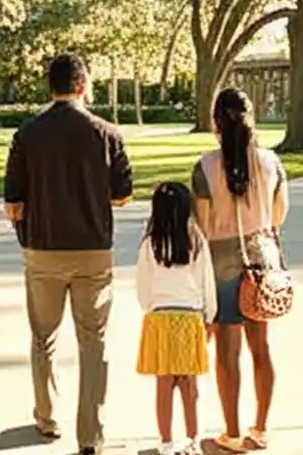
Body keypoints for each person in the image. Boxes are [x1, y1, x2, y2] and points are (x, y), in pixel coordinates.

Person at [4, 53, 133, 455]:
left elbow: (13, 204)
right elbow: (123, 195)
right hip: (93, 250)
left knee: (43, 337)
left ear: (52, 86)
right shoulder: (108, 134)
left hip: (43, 248)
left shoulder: (27, 135)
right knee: (93, 342)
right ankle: (90, 435)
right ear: (81, 85)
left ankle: (47, 417)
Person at [192, 88, 289, 452]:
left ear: (216, 123)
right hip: (263, 262)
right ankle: (260, 429)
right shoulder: (271, 162)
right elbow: (279, 214)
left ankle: (231, 433)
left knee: (227, 352)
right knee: (261, 348)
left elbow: (202, 225)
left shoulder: (205, 167)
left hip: (221, 265)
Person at [135, 182, 217, 455]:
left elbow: (143, 286)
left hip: (160, 317)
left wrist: (150, 308)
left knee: (164, 383)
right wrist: (209, 315)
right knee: (188, 382)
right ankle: (192, 440)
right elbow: (206, 281)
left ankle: (166, 442)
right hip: (190, 316)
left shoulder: (151, 243)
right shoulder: (196, 240)